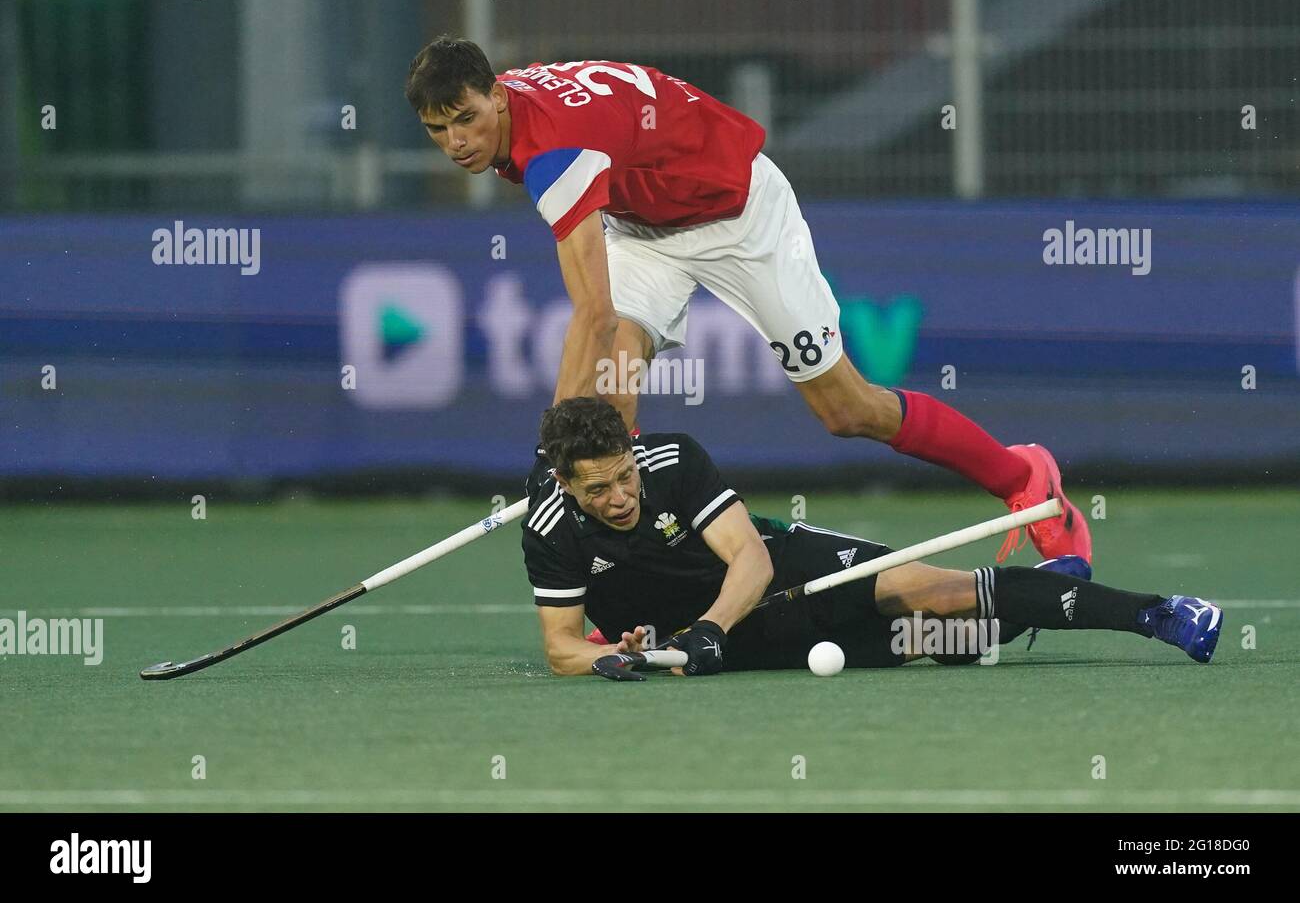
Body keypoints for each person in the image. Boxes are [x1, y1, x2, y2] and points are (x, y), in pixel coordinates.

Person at [406, 36, 1090, 565]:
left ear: (497, 95)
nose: (456, 143)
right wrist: (572, 448)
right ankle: (634, 591)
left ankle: (1024, 478)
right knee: (611, 415)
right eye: (437, 130)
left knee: (848, 410)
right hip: (645, 228)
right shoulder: (511, 107)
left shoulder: (553, 149)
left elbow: (592, 313)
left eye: (465, 120)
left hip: (739, 213)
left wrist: (548, 449)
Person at [522, 398, 1221, 678]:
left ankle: (1155, 614)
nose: (617, 498)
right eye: (596, 490)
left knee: (942, 596)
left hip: (776, 575)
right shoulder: (550, 528)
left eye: (622, 478)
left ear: (630, 452)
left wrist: (708, 626)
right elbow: (561, 647)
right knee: (944, 644)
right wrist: (618, 657)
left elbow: (750, 557)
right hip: (727, 646)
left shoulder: (669, 461)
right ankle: (1056, 593)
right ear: (563, 481)